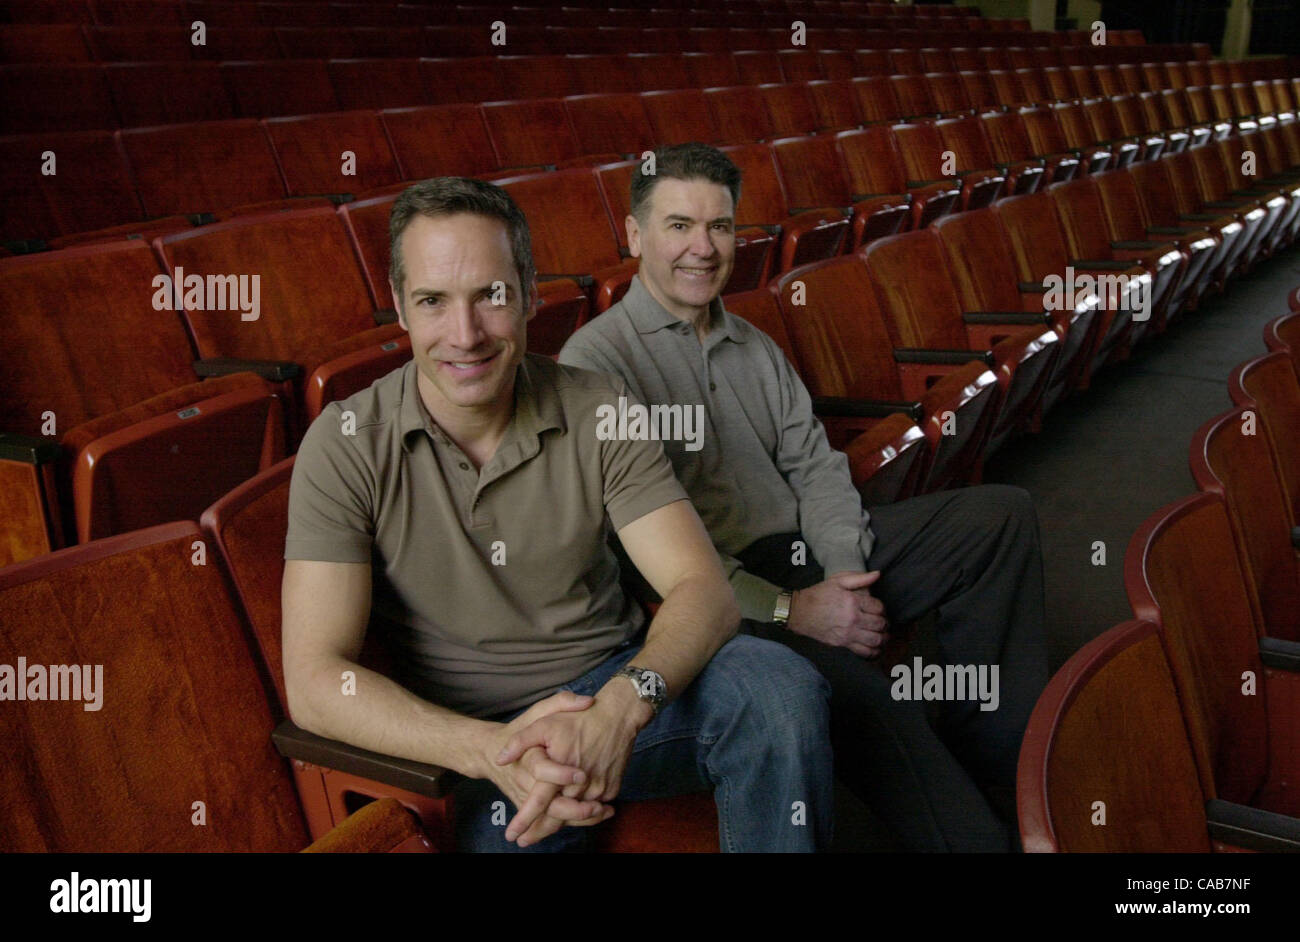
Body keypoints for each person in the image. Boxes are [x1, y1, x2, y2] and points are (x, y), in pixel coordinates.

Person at [280, 176, 833, 853]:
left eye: (491, 295)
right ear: (400, 306)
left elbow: (705, 590)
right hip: (479, 736)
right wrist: (490, 749)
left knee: (780, 689)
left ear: (531, 293)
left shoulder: (599, 406)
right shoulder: (344, 444)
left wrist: (619, 710)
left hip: (621, 679)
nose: (465, 334)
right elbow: (314, 682)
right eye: (433, 301)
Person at [559, 143, 1049, 852]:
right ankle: (977, 840)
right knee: (865, 700)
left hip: (805, 559)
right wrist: (799, 610)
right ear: (635, 237)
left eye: (720, 226)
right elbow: (642, 561)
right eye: (678, 226)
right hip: (709, 597)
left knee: (999, 518)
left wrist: (842, 575)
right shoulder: (595, 362)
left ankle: (993, 774)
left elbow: (816, 467)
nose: (703, 247)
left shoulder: (752, 343)